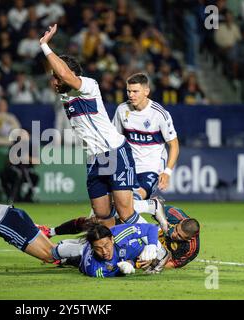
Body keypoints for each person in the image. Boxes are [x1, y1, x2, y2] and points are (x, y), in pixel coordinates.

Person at [39, 24, 141, 226]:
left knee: (125, 212)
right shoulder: (65, 97)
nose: (54, 82)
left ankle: (154, 247)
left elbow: (67, 76)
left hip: (114, 152)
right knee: (102, 217)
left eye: (55, 77)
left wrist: (44, 45)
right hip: (95, 159)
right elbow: (64, 77)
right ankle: (114, 255)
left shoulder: (89, 86)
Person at [39, 203, 200, 270]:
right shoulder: (173, 214)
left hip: (144, 251)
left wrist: (146, 262)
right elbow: (153, 209)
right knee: (96, 225)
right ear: (181, 221)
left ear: (188, 239)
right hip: (141, 232)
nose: (173, 234)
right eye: (175, 229)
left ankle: (66, 256)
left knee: (107, 255)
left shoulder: (191, 249)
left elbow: (171, 263)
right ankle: (52, 232)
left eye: (179, 236)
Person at [113, 73, 179, 202]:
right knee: (116, 205)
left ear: (146, 91)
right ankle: (154, 207)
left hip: (152, 166)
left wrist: (167, 172)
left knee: (135, 199)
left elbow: (174, 145)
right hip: (129, 166)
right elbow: (115, 139)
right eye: (129, 91)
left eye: (135, 91)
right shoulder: (122, 110)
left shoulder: (159, 114)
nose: (131, 95)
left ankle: (153, 206)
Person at [52, 223, 168, 277]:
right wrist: (127, 267)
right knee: (55, 253)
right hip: (82, 253)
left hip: (92, 244)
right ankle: (65, 257)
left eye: (106, 245)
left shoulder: (118, 234)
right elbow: (112, 270)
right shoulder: (94, 269)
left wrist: (151, 245)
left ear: (112, 239)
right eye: (98, 249)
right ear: (92, 247)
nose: (104, 252)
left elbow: (151, 228)